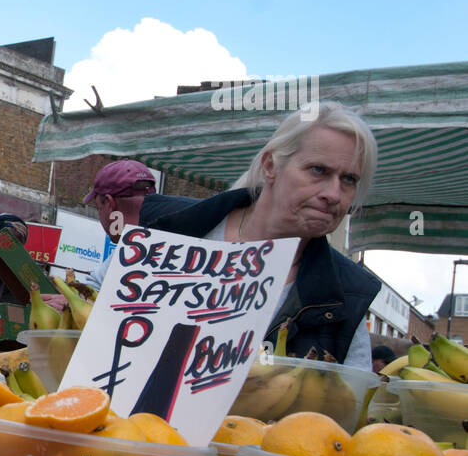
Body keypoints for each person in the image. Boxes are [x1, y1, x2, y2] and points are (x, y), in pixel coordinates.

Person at [138, 102, 380, 366]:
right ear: (270, 166)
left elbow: (350, 398)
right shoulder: (173, 226)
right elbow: (93, 305)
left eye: (349, 180)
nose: (333, 194)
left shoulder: (347, 296)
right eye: (318, 170)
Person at [82, 160, 156, 289]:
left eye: (99, 208)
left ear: (110, 204)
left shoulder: (129, 252)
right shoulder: (177, 241)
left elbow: (94, 288)